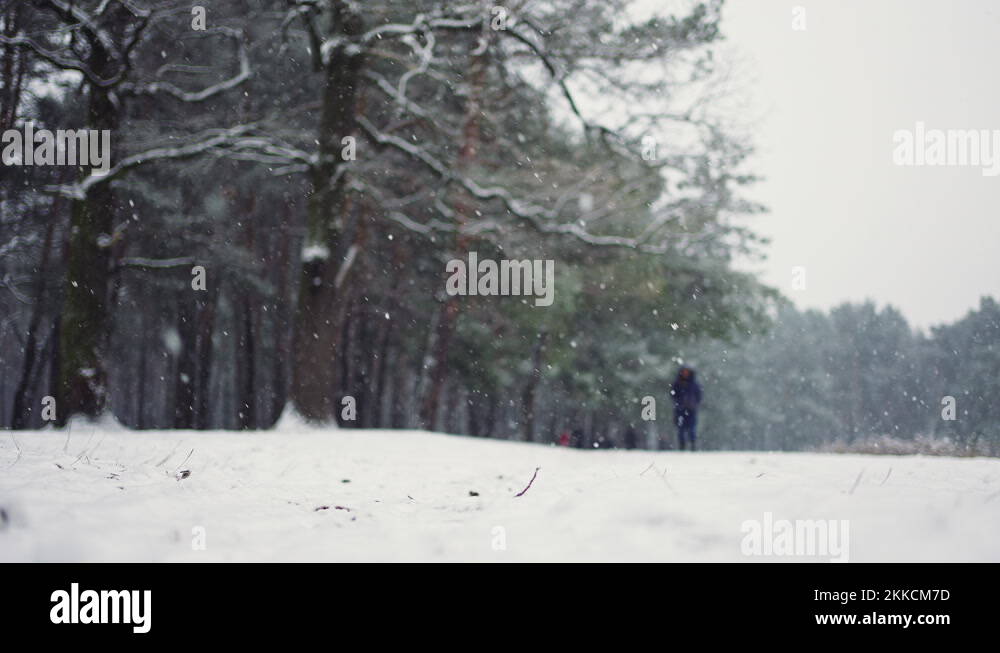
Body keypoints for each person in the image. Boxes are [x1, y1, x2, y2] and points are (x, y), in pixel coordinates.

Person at [670, 366, 702, 451]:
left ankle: (693, 444)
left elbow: (699, 395)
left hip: (691, 410)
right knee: (681, 428)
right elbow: (673, 395)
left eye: (687, 372)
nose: (685, 374)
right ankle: (682, 445)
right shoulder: (677, 384)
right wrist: (679, 403)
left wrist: (694, 403)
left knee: (692, 428)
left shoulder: (694, 384)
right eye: (684, 372)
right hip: (680, 410)